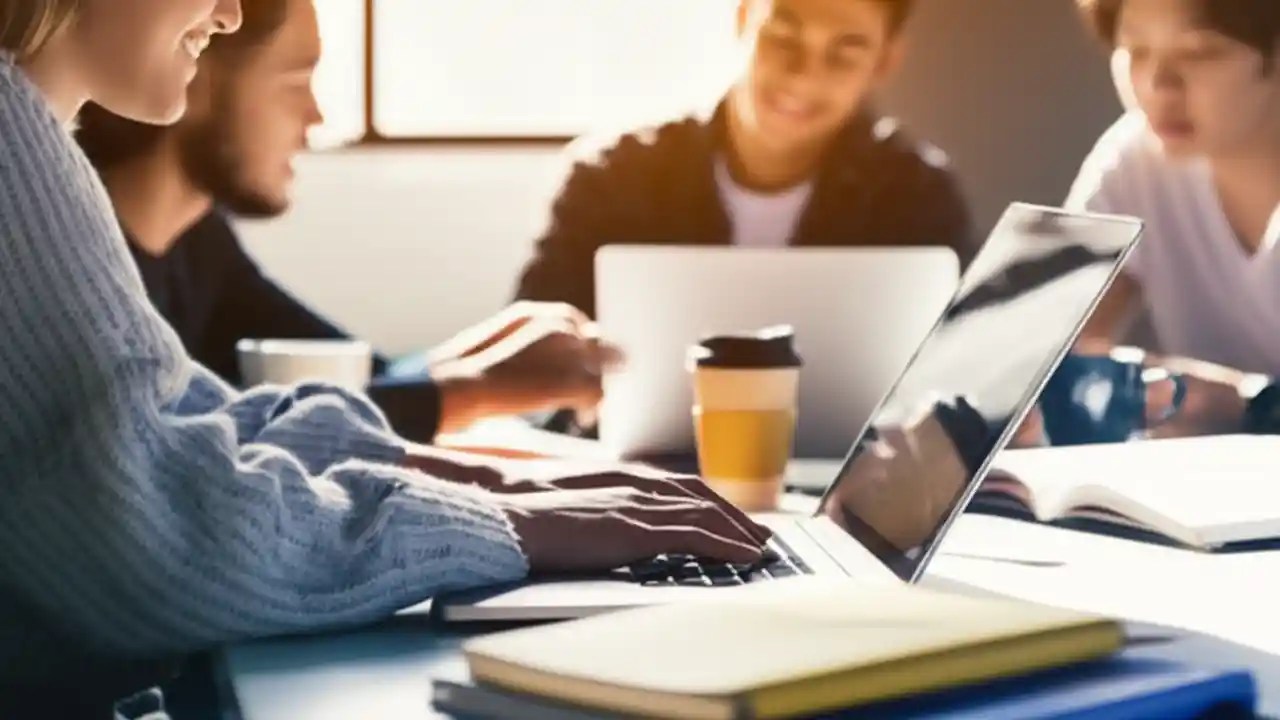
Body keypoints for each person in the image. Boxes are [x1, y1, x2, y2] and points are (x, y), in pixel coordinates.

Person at [0, 2, 769, 717]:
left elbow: (204, 417)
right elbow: (155, 536)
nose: (228, 11)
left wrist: (476, 476)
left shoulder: (43, 149)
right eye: (297, 80)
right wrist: (497, 521)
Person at [74, 0, 617, 443]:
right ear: (192, 61)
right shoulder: (78, 260)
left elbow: (347, 380)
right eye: (295, 82)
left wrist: (480, 353)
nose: (317, 116)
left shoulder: (197, 243)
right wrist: (480, 387)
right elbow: (234, 438)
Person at [514, 0, 976, 318]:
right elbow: (531, 368)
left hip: (849, 460)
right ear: (742, 20)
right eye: (782, 38)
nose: (802, 76)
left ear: (883, 62)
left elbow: (958, 371)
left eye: (843, 55)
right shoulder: (611, 176)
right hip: (633, 458)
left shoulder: (916, 195)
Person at [1067, 0, 1280, 436]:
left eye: (1199, 53)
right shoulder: (1134, 164)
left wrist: (1251, 406)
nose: (1157, 86)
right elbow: (1034, 350)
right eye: (1135, 52)